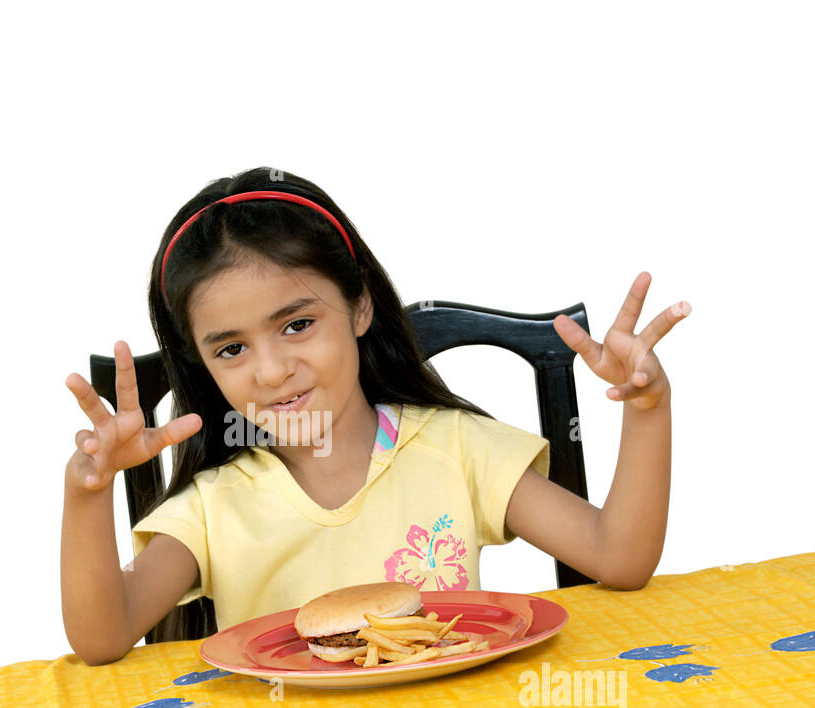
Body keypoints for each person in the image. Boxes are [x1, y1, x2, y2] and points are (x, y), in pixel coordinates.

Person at [62, 167, 688, 665]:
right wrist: (87, 491)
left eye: (298, 325)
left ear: (359, 308)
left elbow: (619, 558)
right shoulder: (215, 508)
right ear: (203, 365)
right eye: (232, 349)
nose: (273, 369)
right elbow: (103, 636)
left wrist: (647, 408)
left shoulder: (455, 451)